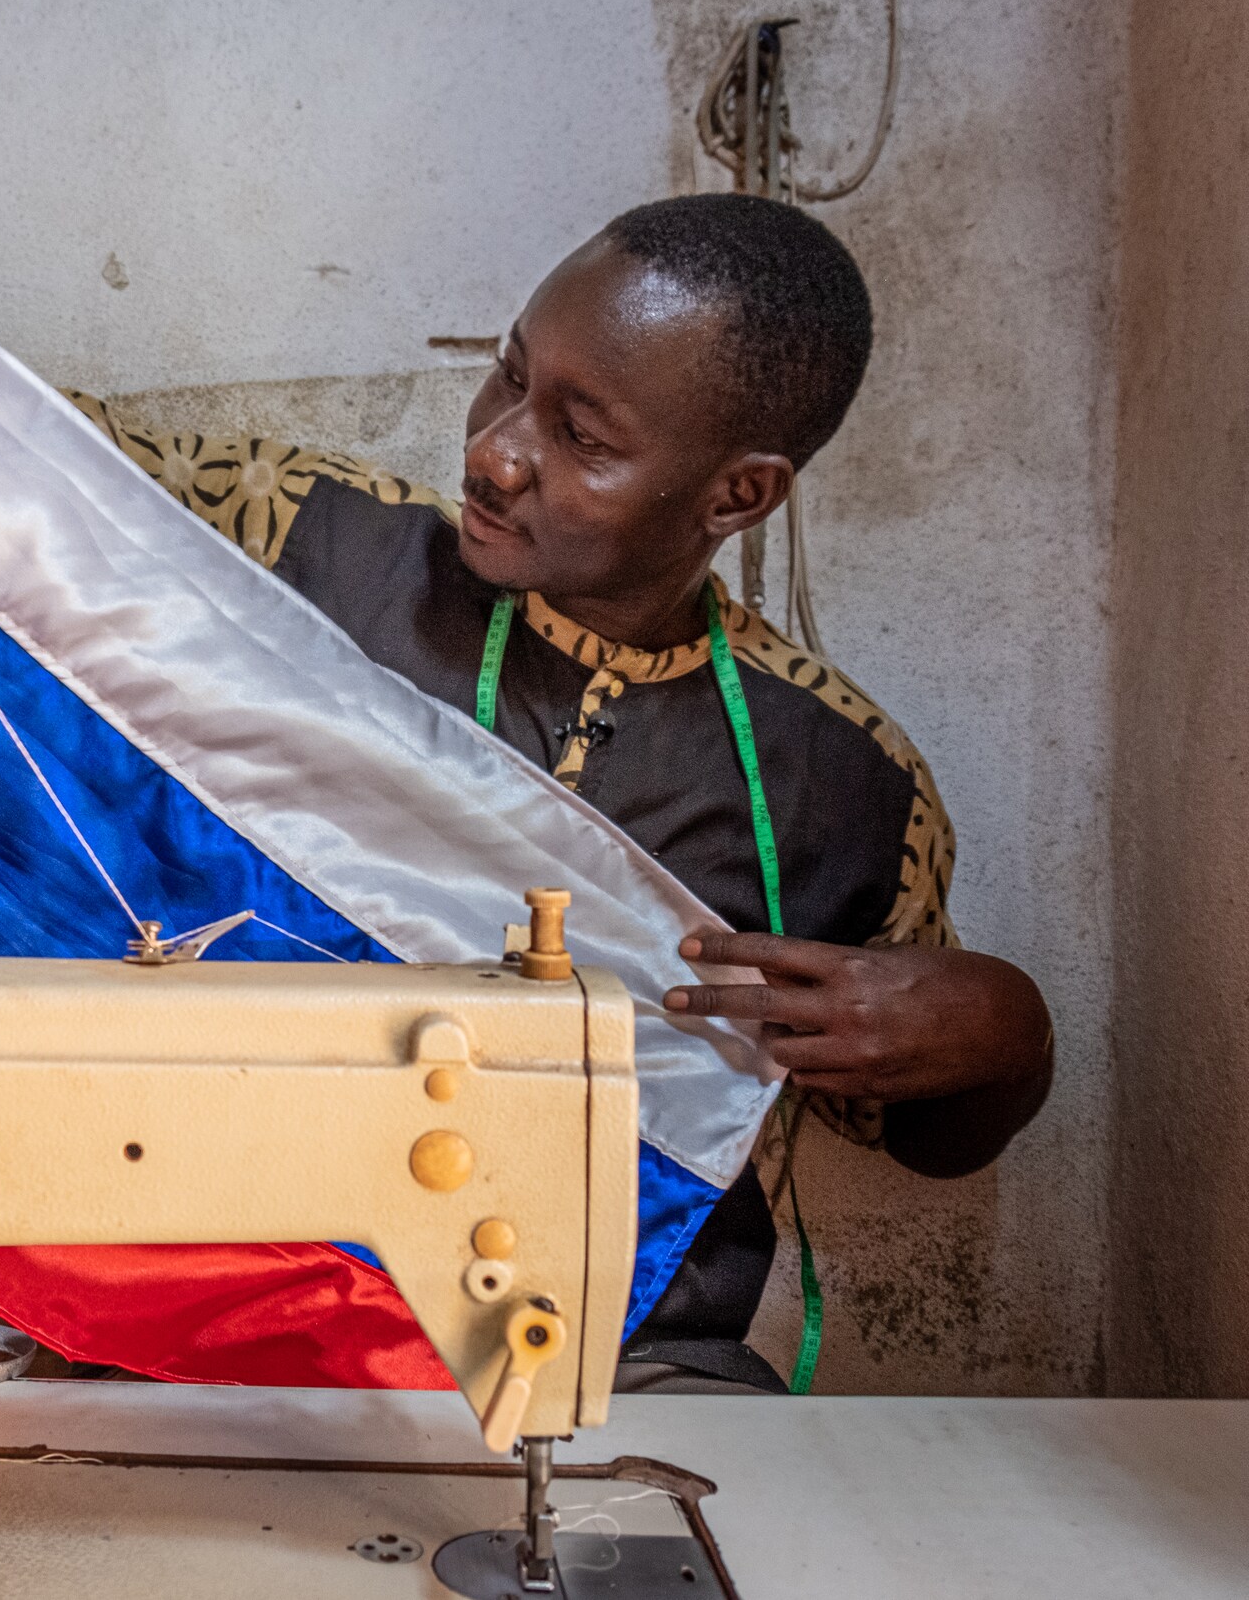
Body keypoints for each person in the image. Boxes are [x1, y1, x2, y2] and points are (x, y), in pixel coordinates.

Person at [76, 192, 1053, 1392]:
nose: (495, 449)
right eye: (507, 376)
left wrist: (1004, 1036)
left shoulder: (839, 783)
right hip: (220, 1322)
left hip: (617, 1365)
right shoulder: (290, 543)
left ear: (735, 496)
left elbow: (918, 1135)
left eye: (580, 437)